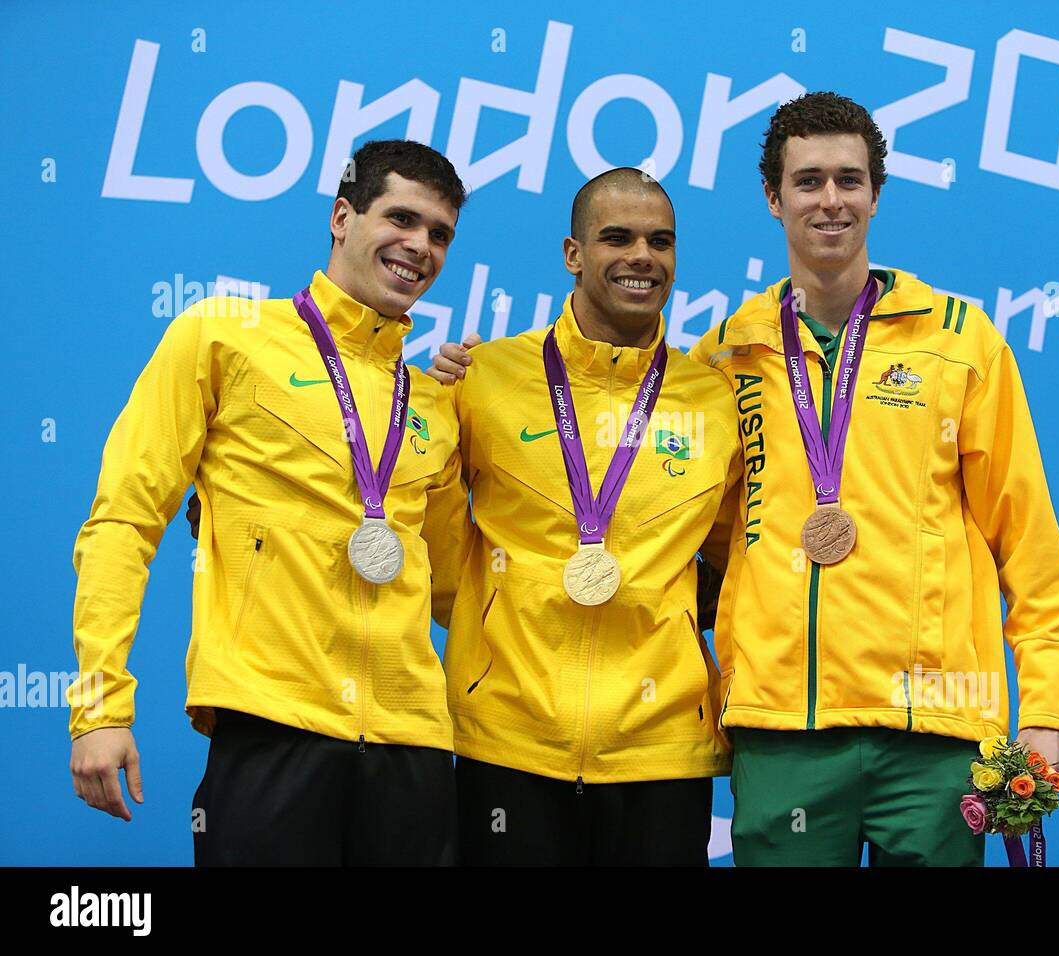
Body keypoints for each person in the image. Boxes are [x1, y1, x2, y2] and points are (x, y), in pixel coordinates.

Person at [685, 91, 1059, 866]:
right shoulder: (726, 356)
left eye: (849, 179)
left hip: (934, 734)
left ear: (875, 193)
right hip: (784, 730)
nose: (830, 200)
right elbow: (701, 538)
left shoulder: (962, 341)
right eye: (807, 181)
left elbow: (1028, 543)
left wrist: (1047, 711)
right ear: (773, 197)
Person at [69, 139, 471, 866]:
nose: (420, 246)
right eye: (402, 219)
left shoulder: (435, 405)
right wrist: (98, 707)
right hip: (272, 729)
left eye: (439, 234)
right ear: (342, 216)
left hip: (411, 745)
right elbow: (124, 521)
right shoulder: (222, 336)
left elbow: (459, 594)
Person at [430, 168, 741, 865]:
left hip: (663, 750)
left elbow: (732, 561)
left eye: (661, 242)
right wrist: (489, 637)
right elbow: (438, 547)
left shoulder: (711, 400)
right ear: (573, 254)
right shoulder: (484, 378)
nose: (643, 257)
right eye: (618, 237)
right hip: (507, 737)